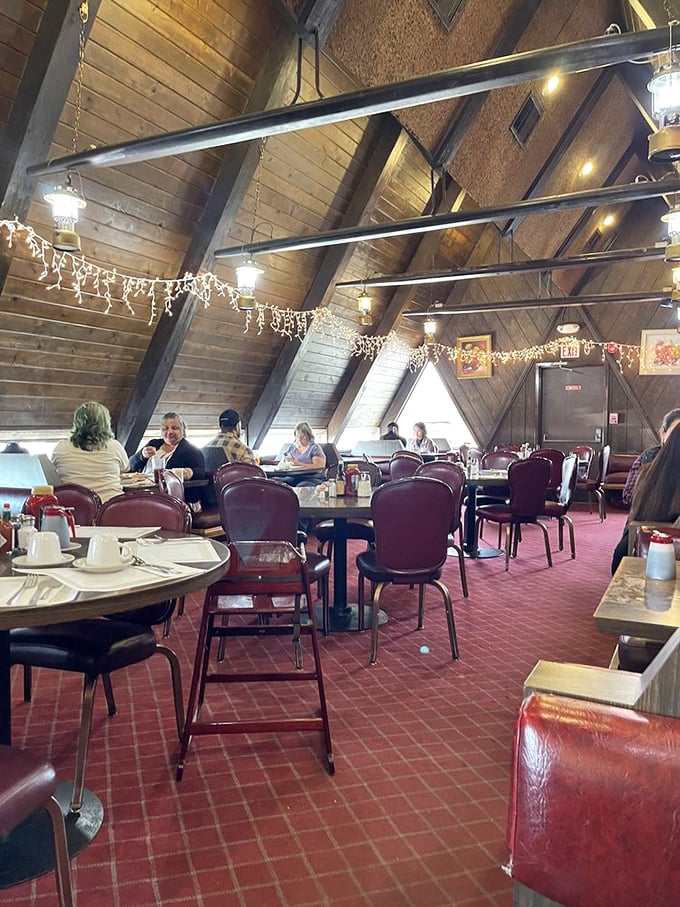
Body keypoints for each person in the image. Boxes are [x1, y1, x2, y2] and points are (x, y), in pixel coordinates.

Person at [611, 420, 680, 573]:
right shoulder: (648, 462)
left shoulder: (648, 472)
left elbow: (629, 499)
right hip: (658, 559)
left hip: (629, 556)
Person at [51, 402, 129, 502]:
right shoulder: (115, 446)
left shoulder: (61, 447)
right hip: (110, 505)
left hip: (75, 506)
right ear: (106, 423)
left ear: (76, 422)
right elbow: (125, 468)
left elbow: (53, 471)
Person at [129, 412, 206, 506]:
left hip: (174, 500)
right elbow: (131, 465)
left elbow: (202, 473)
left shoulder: (191, 450)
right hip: (143, 493)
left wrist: (190, 473)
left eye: (174, 428)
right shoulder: (154, 444)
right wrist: (142, 455)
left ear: (182, 430)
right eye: (165, 428)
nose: (170, 432)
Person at [622, 408, 680, 507]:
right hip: (652, 514)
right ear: (662, 433)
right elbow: (629, 496)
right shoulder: (648, 457)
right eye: (675, 433)